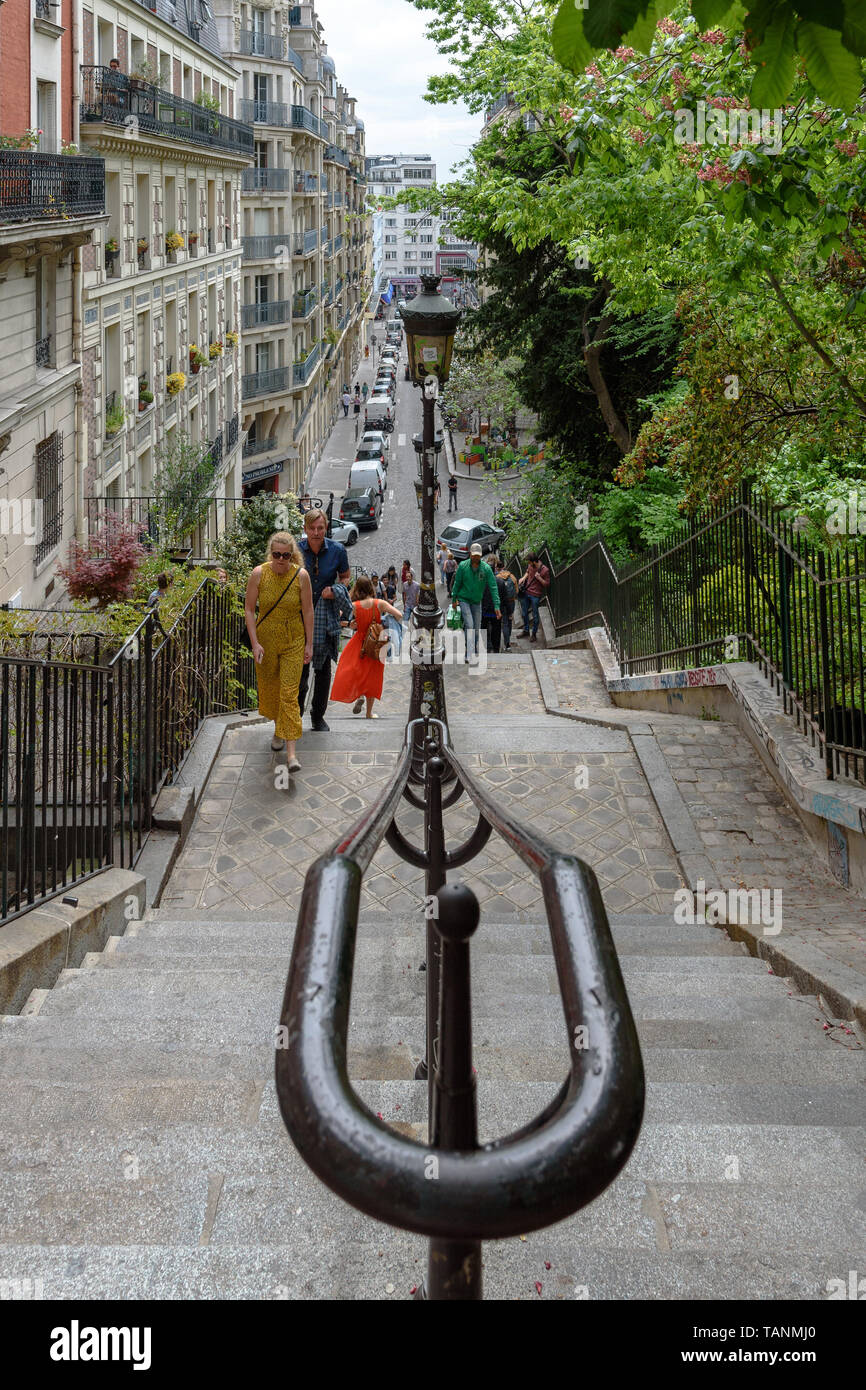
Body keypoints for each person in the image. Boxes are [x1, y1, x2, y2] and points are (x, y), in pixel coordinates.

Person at [244, 532, 314, 769]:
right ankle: (278, 730)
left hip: (293, 639)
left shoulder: (300, 576)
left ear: (292, 555)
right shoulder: (259, 574)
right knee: (272, 689)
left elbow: (308, 611)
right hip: (266, 640)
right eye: (276, 554)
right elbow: (249, 609)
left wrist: (309, 643)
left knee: (289, 693)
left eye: (285, 555)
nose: (281, 559)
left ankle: (292, 755)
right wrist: (255, 643)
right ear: (270, 553)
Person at [296, 508, 351, 731]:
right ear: (305, 529)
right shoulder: (297, 550)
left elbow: (346, 577)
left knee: (323, 671)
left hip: (324, 618)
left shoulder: (338, 550)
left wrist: (336, 590)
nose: (316, 533)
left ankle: (318, 717)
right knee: (300, 670)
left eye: (320, 528)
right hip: (299, 617)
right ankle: (295, 716)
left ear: (326, 527)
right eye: (312, 528)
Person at [330, 576, 403, 719]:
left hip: (359, 643)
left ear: (356, 589)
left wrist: (349, 625)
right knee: (373, 676)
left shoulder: (354, 606)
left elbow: (337, 618)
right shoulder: (379, 603)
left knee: (356, 671)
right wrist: (384, 622)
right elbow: (399, 615)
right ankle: (369, 713)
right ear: (371, 588)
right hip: (376, 643)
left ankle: (360, 694)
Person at [451, 543, 500, 664]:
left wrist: (497, 605)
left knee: (476, 629)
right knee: (470, 624)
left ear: (481, 555)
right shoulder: (463, 566)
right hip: (464, 599)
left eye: (478, 556)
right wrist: (454, 598)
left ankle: (472, 646)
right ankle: (469, 653)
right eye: (474, 555)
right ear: (470, 555)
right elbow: (457, 583)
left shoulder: (486, 569)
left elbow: (493, 587)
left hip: (477, 601)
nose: (476, 558)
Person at [516, 552, 551, 643]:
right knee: (524, 613)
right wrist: (523, 578)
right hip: (527, 592)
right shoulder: (531, 566)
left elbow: (547, 584)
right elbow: (528, 572)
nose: (528, 564)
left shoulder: (545, 570)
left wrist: (539, 578)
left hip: (536, 595)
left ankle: (534, 634)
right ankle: (526, 630)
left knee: (535, 616)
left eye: (529, 562)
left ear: (533, 562)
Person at [495, 557, 518, 651]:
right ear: (504, 567)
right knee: (509, 621)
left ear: (497, 568)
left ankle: (506, 644)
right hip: (511, 601)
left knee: (504, 623)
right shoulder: (511, 576)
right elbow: (517, 590)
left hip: (501, 602)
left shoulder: (497, 578)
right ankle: (508, 642)